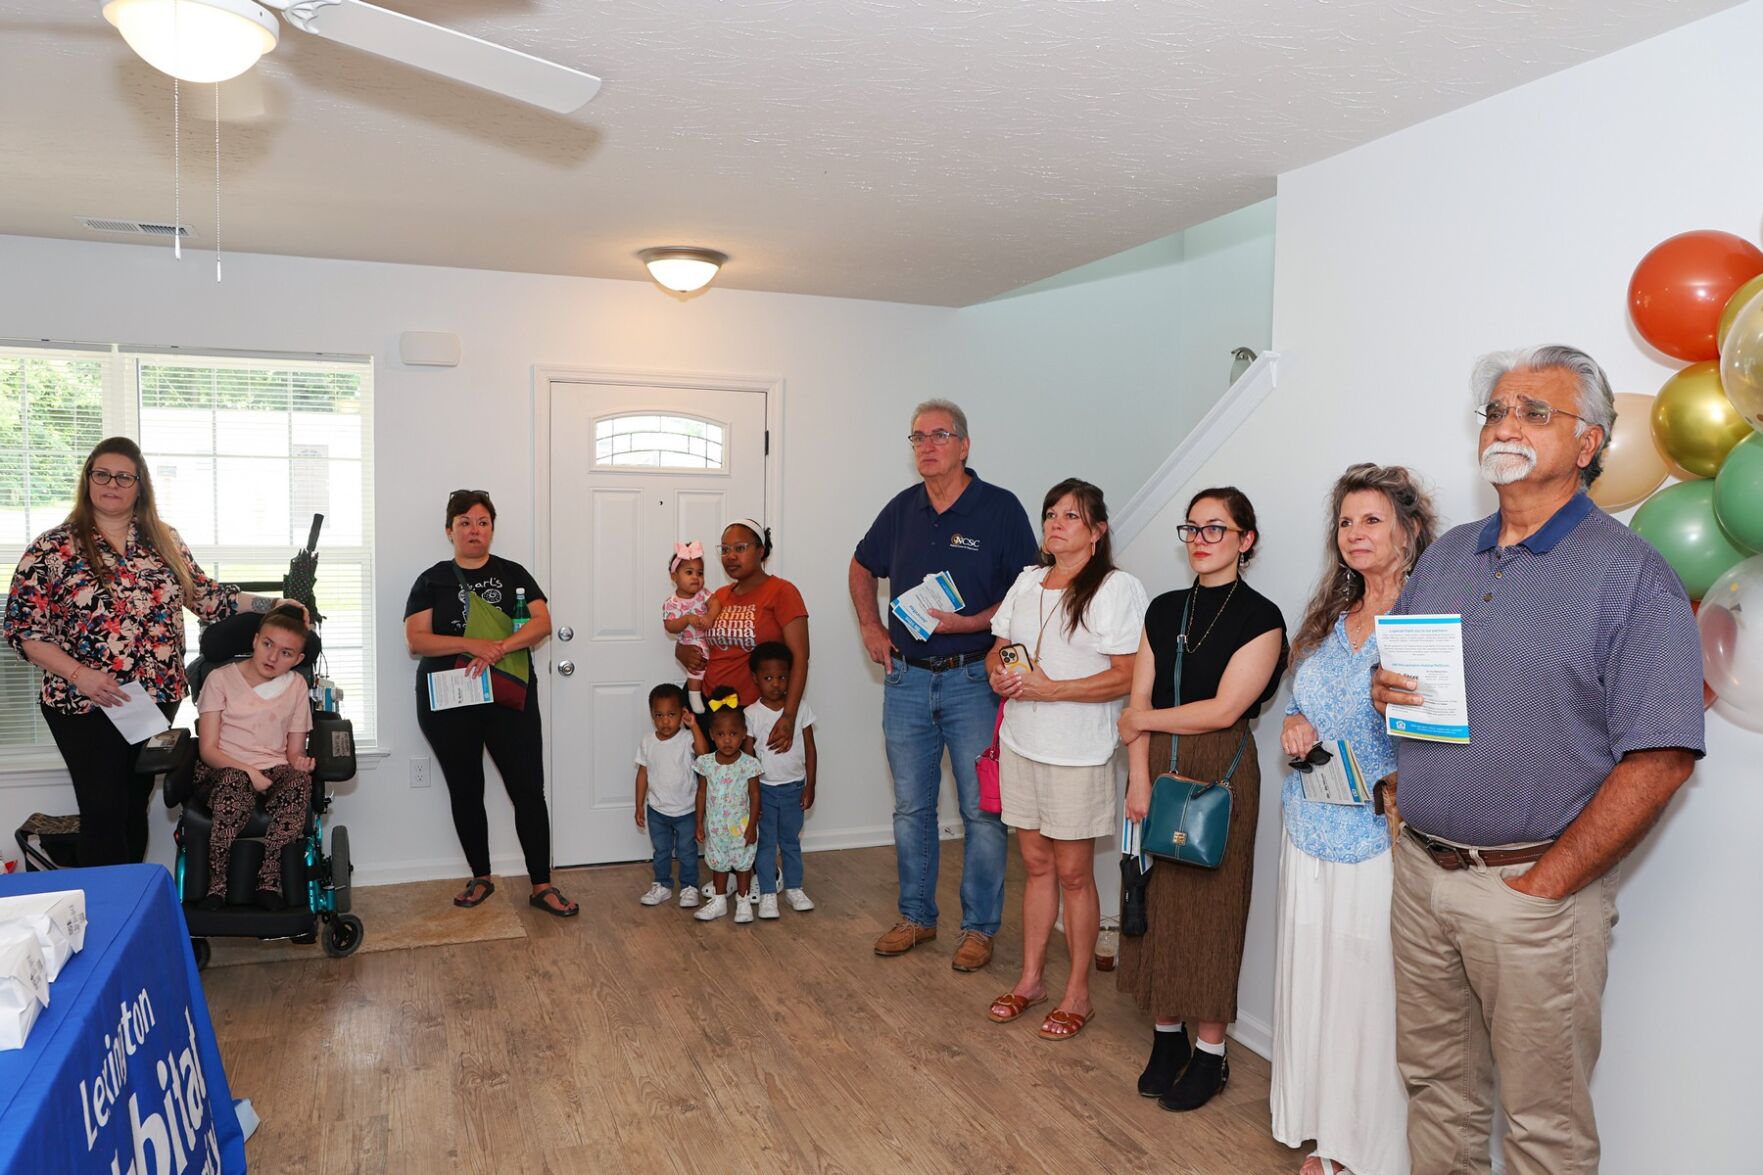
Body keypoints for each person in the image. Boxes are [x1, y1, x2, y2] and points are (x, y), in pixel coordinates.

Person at [1372, 346, 1703, 1175]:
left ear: (1588, 443)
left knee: (1543, 1129)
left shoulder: (1631, 575)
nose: (1505, 426)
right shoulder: (1445, 555)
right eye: (1494, 410)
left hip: (1530, 896)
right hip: (1420, 875)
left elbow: (1661, 755)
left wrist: (1545, 885)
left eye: (1532, 411)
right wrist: (1388, 691)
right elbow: (1433, 691)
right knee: (1436, 1092)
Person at [3, 437, 303, 867]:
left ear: (140, 485)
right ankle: (108, 903)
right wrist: (81, 675)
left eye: (124, 477)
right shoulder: (52, 548)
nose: (112, 484)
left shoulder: (164, 540)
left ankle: (134, 898)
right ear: (88, 480)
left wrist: (272, 604)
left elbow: (208, 597)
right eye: (102, 474)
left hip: (153, 698)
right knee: (103, 808)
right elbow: (23, 631)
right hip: (83, 701)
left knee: (133, 803)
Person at [1271, 465, 1438, 1175]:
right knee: (1314, 984)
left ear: (1410, 531)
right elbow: (1301, 705)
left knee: (1369, 996)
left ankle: (1364, 1150)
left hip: (1379, 840)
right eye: (1345, 521)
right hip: (1307, 828)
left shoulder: (1425, 622)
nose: (1354, 533)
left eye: (1372, 520)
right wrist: (1294, 722)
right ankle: (1324, 1133)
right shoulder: (1327, 622)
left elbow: (1443, 732)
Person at [850, 399, 1039, 972]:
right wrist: (870, 626)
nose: (927, 446)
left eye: (939, 435)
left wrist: (970, 622)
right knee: (911, 808)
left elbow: (1029, 592)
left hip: (973, 681)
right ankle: (916, 917)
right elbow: (862, 565)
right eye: (918, 438)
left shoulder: (1000, 508)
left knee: (983, 812)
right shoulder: (902, 509)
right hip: (906, 679)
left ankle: (979, 928)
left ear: (964, 445)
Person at [1117, 487, 1287, 1112]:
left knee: (1213, 912)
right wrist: (1138, 776)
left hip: (1222, 771)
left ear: (1246, 540)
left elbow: (1224, 710)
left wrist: (1141, 723)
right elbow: (1137, 700)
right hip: (1156, 766)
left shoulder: (1261, 618)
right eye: (1192, 528)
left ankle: (1211, 1054)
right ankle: (1167, 1040)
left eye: (1216, 528)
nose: (1200, 539)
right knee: (1155, 903)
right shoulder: (1163, 609)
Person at [981, 479, 1145, 1040]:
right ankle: (1031, 981)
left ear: (1097, 531)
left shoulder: (1116, 588)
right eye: (1051, 513)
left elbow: (1127, 676)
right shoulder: (1028, 580)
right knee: (1036, 866)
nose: (1055, 523)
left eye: (1071, 516)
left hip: (1078, 751)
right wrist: (998, 675)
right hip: (1020, 743)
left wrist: (1054, 691)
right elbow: (997, 649)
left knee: (1074, 873)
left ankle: (1078, 993)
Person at [404, 489, 577, 917]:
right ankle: (481, 876)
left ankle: (542, 885)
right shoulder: (431, 580)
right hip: (449, 699)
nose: (474, 530)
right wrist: (471, 644)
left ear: (492, 529)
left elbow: (542, 623)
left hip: (509, 696)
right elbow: (417, 639)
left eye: (482, 522)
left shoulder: (514, 574)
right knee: (466, 789)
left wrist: (497, 648)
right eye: (464, 522)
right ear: (450, 531)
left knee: (528, 791)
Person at [192, 606, 317, 911]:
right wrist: (250, 773)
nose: (273, 657)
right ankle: (217, 887)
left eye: (286, 653)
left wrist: (300, 762)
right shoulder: (220, 679)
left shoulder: (296, 685)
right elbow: (208, 749)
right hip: (222, 768)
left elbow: (293, 751)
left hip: (273, 768)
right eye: (267, 644)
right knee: (234, 782)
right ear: (255, 640)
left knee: (299, 781)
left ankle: (269, 881)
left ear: (298, 659)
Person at [745, 642, 818, 919]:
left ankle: (794, 888)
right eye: (768, 677)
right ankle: (767, 893)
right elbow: (747, 758)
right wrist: (751, 795)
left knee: (790, 842)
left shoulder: (800, 709)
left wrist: (810, 785)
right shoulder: (751, 714)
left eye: (782, 677)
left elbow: (810, 748)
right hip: (764, 791)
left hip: (794, 789)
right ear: (755, 678)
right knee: (765, 844)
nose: (775, 684)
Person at [692, 686, 762, 925]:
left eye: (733, 733)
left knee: (743, 865)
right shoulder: (706, 763)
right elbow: (701, 793)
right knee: (718, 864)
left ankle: (743, 902)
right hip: (716, 828)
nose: (727, 739)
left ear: (743, 733)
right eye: (721, 734)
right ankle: (719, 901)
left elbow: (755, 795)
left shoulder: (749, 765)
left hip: (741, 828)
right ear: (712, 735)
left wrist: (752, 826)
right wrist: (699, 823)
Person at [635, 683, 707, 909]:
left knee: (687, 852)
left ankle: (689, 887)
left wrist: (694, 726)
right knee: (661, 851)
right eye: (659, 715)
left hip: (686, 810)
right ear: (652, 715)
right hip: (657, 810)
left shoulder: (687, 739)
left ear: (682, 713)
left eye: (671, 714)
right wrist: (639, 805)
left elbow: (704, 753)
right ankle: (662, 884)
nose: (665, 721)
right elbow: (643, 774)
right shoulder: (648, 741)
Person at [662, 542, 720, 714]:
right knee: (696, 668)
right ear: (674, 577)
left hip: (707, 639)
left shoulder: (703, 594)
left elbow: (716, 603)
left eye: (700, 573)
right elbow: (670, 626)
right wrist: (686, 619)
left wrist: (710, 617)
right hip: (690, 642)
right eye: (689, 572)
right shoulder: (672, 603)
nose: (696, 577)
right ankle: (694, 695)